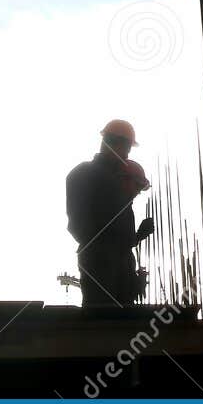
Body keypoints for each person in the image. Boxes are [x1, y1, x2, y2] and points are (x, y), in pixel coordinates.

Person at [66, 119, 154, 308]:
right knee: (104, 319)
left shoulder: (112, 179)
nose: (127, 154)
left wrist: (136, 237)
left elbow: (114, 234)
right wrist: (108, 249)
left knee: (118, 321)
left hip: (114, 261)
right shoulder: (93, 175)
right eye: (128, 148)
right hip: (100, 263)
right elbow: (81, 227)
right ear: (117, 143)